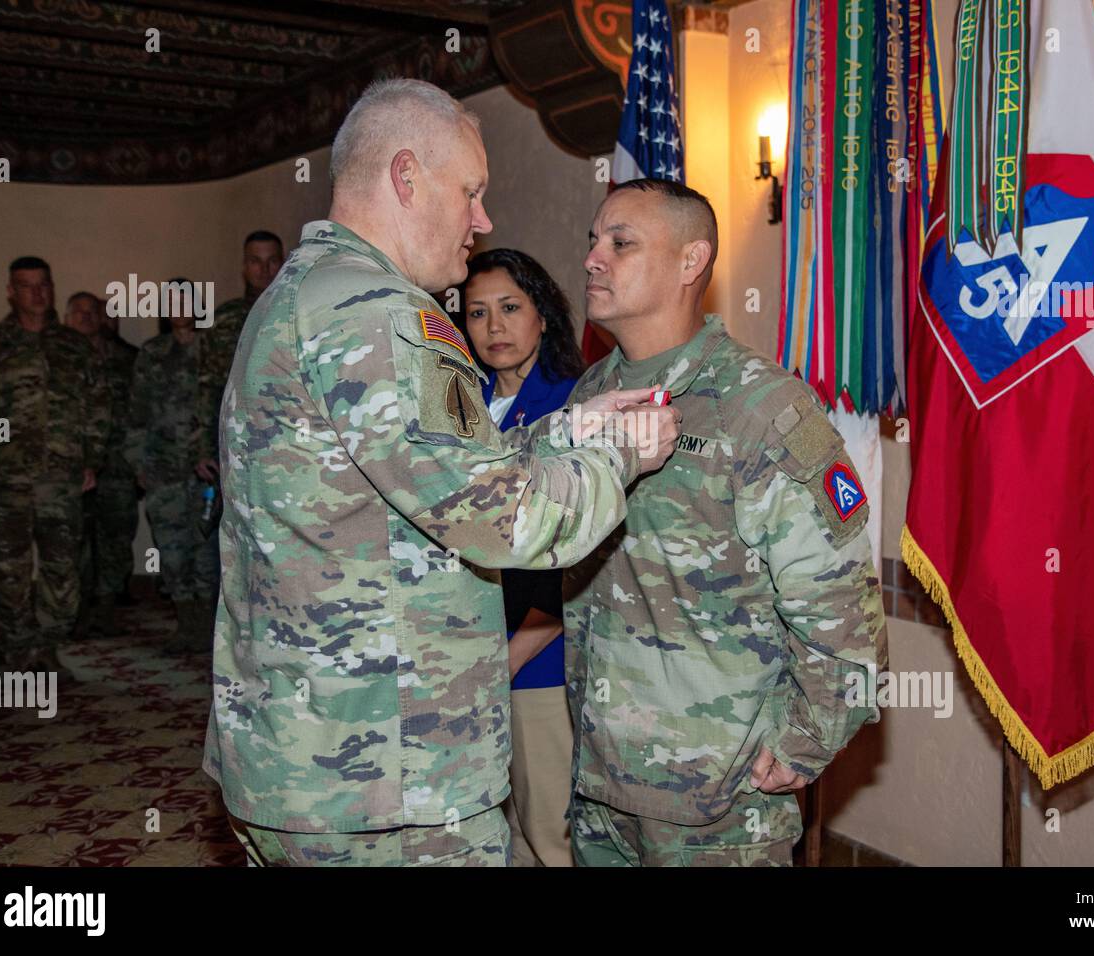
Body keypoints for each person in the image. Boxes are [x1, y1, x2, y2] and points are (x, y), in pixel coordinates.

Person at [203, 77, 680, 868]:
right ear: (405, 177)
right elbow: (510, 520)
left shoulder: (303, 292)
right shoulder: (382, 317)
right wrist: (620, 451)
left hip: (307, 755)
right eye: (472, 192)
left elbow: (409, 477)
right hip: (385, 777)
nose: (483, 220)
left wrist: (568, 426)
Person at [559, 179, 886, 866]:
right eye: (593, 241)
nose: (593, 258)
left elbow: (842, 602)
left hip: (717, 803)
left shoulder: (760, 409)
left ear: (690, 262)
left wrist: (804, 740)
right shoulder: (592, 395)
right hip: (600, 782)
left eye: (620, 243)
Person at [463, 248, 584, 867]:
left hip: (538, 658)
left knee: (550, 830)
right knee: (492, 834)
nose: (494, 327)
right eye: (477, 313)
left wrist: (506, 660)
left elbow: (582, 563)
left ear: (544, 315)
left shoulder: (574, 405)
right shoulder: (458, 406)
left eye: (511, 308)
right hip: (464, 657)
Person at [0, 258, 110, 674]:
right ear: (10, 291)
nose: (37, 294)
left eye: (44, 285)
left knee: (62, 568)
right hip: (9, 481)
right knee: (10, 570)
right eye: (26, 286)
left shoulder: (75, 347)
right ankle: (20, 651)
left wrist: (91, 458)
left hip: (62, 478)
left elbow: (98, 408)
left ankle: (48, 649)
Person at [124, 280, 220, 653]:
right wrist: (138, 463)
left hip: (209, 472)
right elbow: (136, 413)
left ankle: (210, 626)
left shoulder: (215, 350)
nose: (179, 308)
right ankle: (186, 623)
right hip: (163, 469)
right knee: (172, 549)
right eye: (172, 302)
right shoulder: (152, 353)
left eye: (187, 300)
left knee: (207, 550)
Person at [64, 291, 139, 637]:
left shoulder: (126, 359)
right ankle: (75, 611)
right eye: (77, 311)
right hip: (69, 467)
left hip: (117, 466)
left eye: (92, 311)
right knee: (72, 541)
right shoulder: (53, 358)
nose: (85, 316)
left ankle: (107, 608)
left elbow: (141, 412)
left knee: (114, 538)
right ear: (65, 317)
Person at [194, 230, 285, 493]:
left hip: (289, 444)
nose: (264, 269)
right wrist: (203, 448)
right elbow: (206, 387)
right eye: (255, 261)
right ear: (245, 267)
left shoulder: (299, 310)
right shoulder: (223, 320)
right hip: (235, 446)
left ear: (284, 262)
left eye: (272, 260)